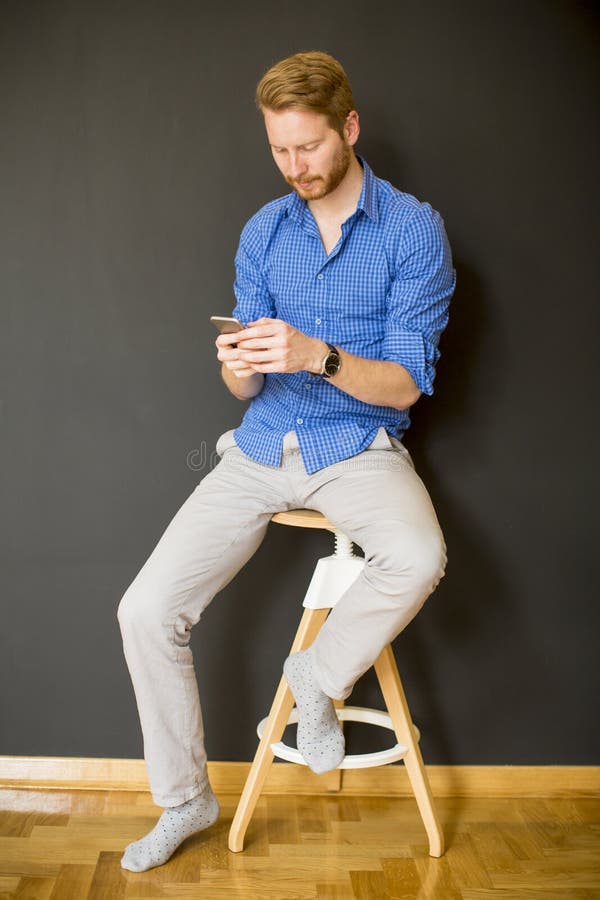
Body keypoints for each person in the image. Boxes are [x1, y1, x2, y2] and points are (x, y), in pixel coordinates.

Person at [118, 50, 455, 872]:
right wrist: (239, 356)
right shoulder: (264, 230)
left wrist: (314, 354)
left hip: (358, 448)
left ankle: (317, 676)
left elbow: (408, 385)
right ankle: (187, 801)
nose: (295, 166)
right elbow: (240, 386)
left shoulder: (414, 228)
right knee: (144, 610)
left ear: (349, 127)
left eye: (308, 146)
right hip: (263, 447)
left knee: (419, 558)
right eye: (279, 150)